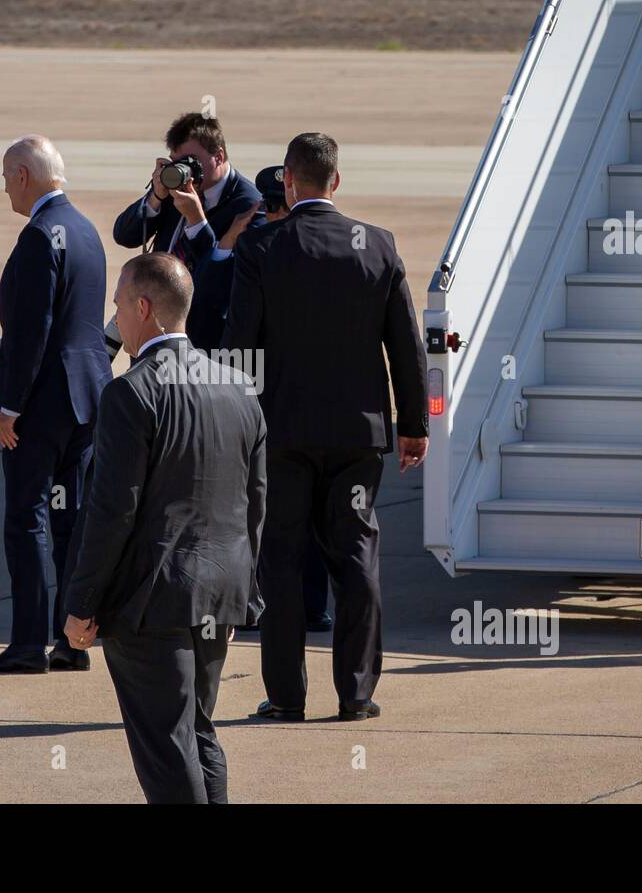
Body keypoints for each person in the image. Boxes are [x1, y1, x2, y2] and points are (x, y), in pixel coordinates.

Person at [224, 133, 429, 721]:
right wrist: (412, 425)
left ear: (288, 180)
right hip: (356, 436)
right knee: (357, 558)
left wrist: (241, 426)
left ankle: (288, 697)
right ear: (335, 182)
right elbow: (405, 348)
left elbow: (241, 351)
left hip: (283, 435)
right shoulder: (379, 247)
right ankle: (356, 694)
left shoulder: (262, 246)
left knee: (281, 562)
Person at [62, 253, 266, 803]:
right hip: (216, 595)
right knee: (198, 733)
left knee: (167, 748)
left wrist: (82, 603)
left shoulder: (130, 392)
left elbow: (111, 512)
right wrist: (239, 597)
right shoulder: (238, 388)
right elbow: (255, 504)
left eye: (120, 305)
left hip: (152, 603)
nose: (116, 317)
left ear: (144, 309)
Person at [0, 135, 111, 674]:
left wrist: (9, 405)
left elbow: (36, 328)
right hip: (84, 401)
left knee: (26, 518)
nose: (5, 185)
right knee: (68, 521)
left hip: (41, 406)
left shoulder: (38, 235)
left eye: (7, 175)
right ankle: (70, 640)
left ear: (25, 176)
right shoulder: (84, 229)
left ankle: (29, 644)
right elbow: (71, 323)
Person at [221, 165, 333, 635]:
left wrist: (242, 400)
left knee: (274, 514)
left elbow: (242, 339)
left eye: (273, 206)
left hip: (274, 407)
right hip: (318, 405)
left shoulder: (260, 252)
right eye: (263, 207)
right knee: (302, 516)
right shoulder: (311, 248)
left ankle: (288, 605)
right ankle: (311, 606)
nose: (268, 215)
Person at [111, 112, 265, 349]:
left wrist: (197, 221)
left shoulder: (249, 207)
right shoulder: (175, 189)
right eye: (177, 162)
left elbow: (228, 283)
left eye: (191, 161)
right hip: (154, 333)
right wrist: (155, 198)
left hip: (204, 343)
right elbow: (124, 235)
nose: (185, 171)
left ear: (219, 156)